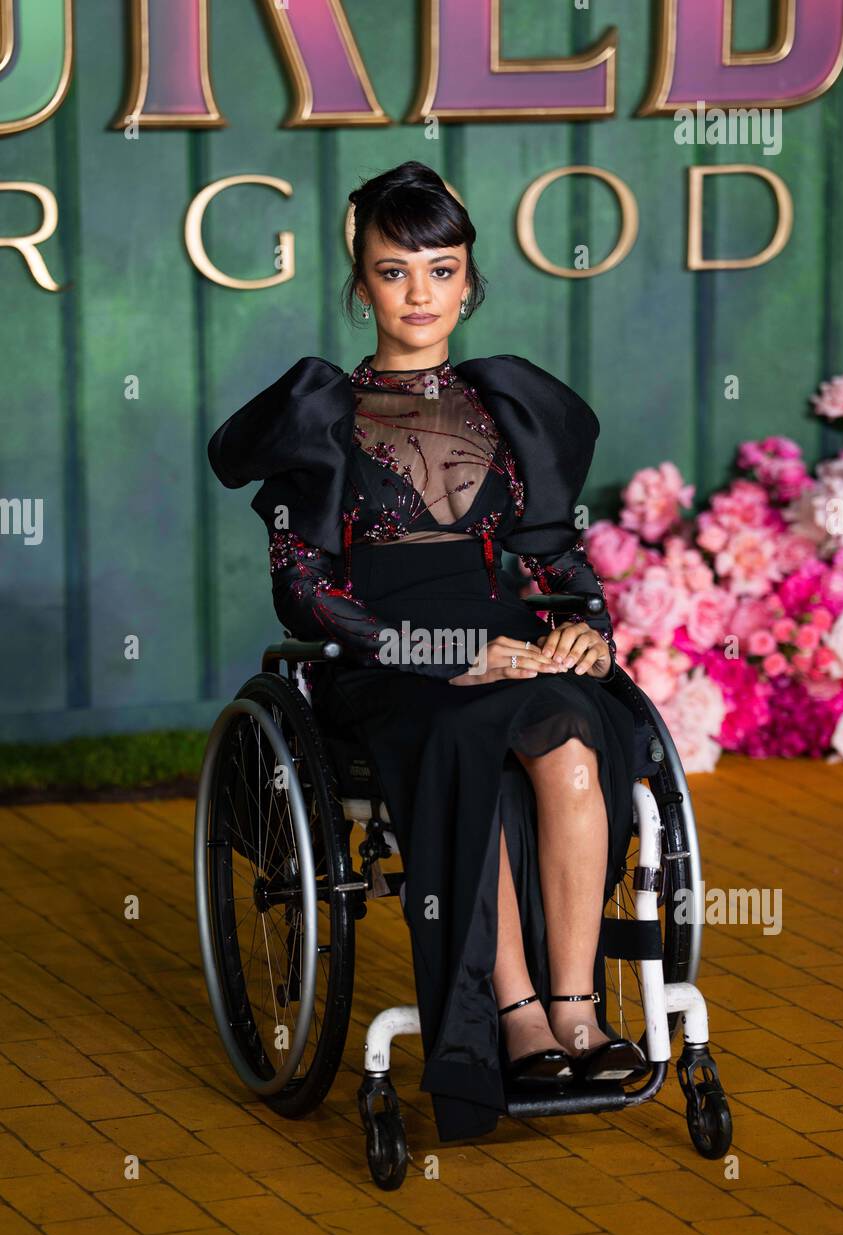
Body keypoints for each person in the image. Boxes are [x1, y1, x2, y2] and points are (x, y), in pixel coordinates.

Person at [208, 160, 649, 1145]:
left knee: (578, 743)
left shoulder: (508, 408)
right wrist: (438, 649)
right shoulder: (319, 418)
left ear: (468, 279)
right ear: (359, 283)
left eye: (440, 271)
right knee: (465, 746)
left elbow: (550, 558)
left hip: (510, 642)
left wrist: (581, 622)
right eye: (393, 271)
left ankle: (574, 1009)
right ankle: (511, 1020)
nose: (419, 294)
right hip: (386, 661)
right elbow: (306, 591)